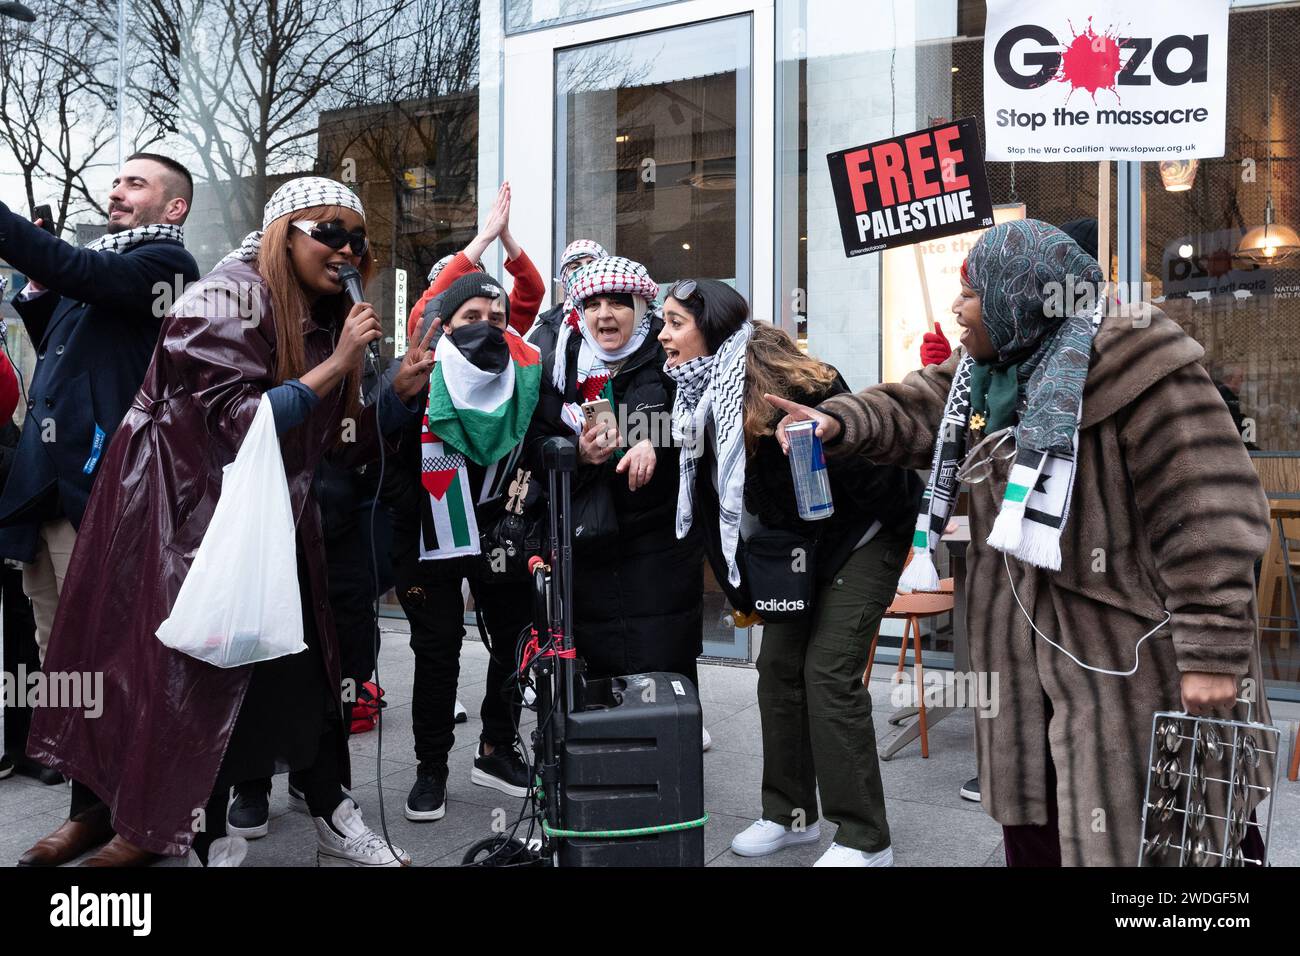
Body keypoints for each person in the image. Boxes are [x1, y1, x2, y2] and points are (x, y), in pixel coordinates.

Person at [770, 219, 1274, 866]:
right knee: (1037, 826)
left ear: (1019, 295)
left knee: (1178, 835)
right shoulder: (984, 373)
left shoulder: (1147, 369)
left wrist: (1211, 651)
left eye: (970, 293)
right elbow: (915, 407)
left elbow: (1211, 518)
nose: (955, 308)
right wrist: (839, 421)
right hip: (1018, 658)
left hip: (1131, 664)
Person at [24, 177, 438, 867]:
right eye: (328, 232)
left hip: (272, 523)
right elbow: (231, 423)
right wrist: (337, 364)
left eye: (358, 239)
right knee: (150, 670)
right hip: (176, 514)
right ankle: (107, 813)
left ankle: (308, 811)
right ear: (284, 236)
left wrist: (390, 394)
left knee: (294, 671)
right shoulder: (229, 294)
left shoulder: (328, 311)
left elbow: (342, 442)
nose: (347, 251)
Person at [0, 154, 200, 866]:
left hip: (108, 492)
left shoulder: (168, 271)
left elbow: (86, 280)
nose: (116, 192)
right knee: (64, 667)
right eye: (116, 182)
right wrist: (38, 288)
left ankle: (144, 823)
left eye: (135, 183)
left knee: (121, 665)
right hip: (49, 494)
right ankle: (89, 811)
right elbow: (70, 338)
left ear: (173, 208)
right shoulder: (104, 268)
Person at [386, 272, 543, 823]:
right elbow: (382, 447)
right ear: (444, 325)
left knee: (512, 640)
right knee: (437, 650)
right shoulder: (414, 375)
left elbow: (548, 435)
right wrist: (420, 506)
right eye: (470, 318)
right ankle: (432, 767)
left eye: (496, 320)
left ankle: (497, 748)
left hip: (500, 531)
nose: (485, 329)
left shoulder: (527, 372)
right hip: (428, 535)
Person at [529, 257, 706, 701]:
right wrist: (579, 456)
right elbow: (537, 442)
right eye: (593, 304)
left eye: (617, 303)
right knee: (602, 657)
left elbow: (703, 423)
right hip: (590, 539)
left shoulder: (670, 354)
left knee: (661, 645)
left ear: (640, 307)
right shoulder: (560, 367)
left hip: (659, 542)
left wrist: (652, 439)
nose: (604, 314)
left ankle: (673, 721)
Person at [406, 181, 544, 342]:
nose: (484, 322)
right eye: (471, 316)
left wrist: (505, 236)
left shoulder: (497, 317)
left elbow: (532, 290)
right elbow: (433, 301)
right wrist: (486, 236)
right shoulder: (428, 325)